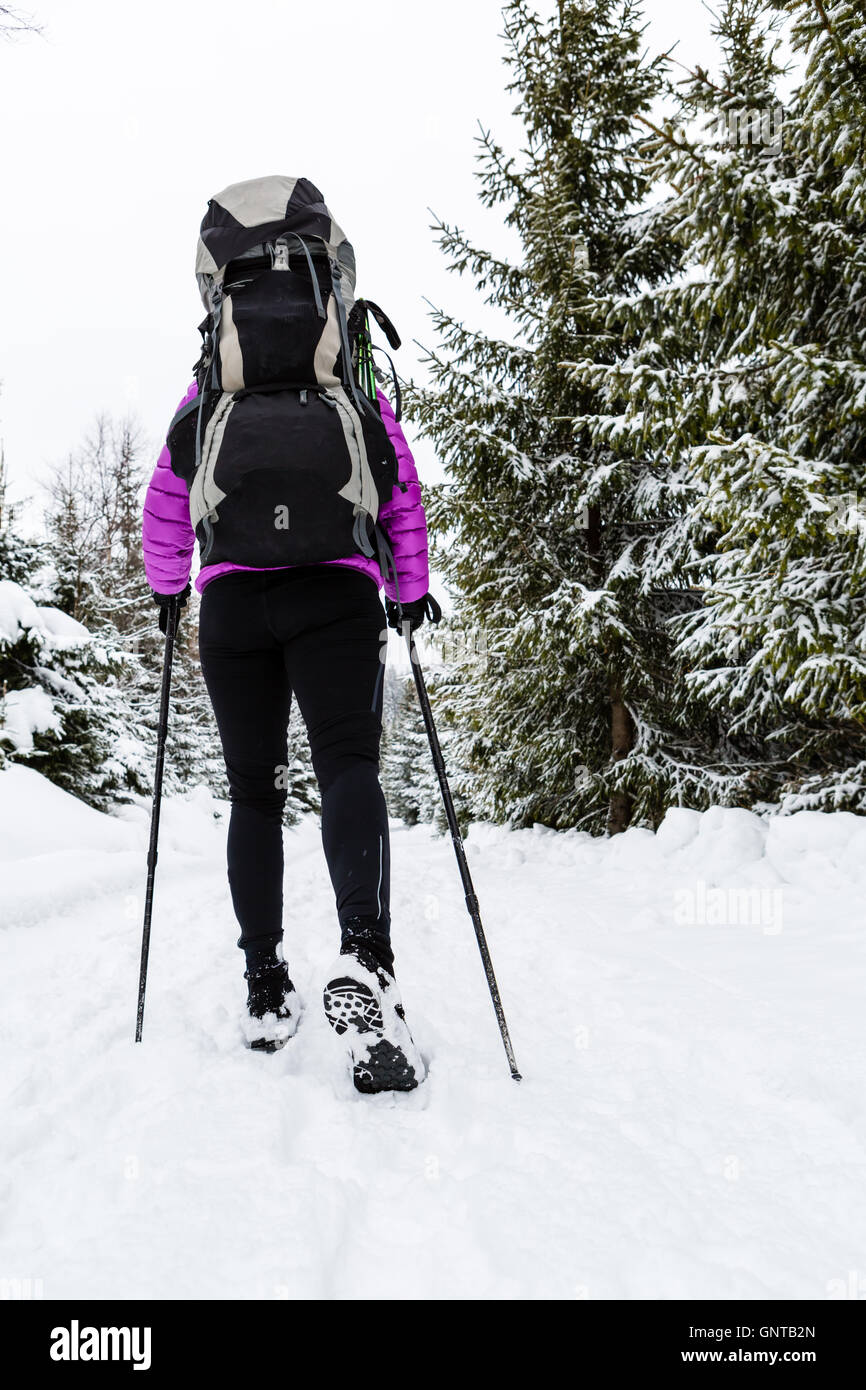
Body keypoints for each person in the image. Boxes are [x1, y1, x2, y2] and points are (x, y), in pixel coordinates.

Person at [141, 175, 438, 1093]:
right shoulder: (348, 389)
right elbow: (398, 487)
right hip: (336, 598)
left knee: (255, 792)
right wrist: (407, 589)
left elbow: (164, 499)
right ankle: (366, 962)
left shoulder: (206, 398)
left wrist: (171, 588)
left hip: (236, 608)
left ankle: (265, 984)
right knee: (348, 768)